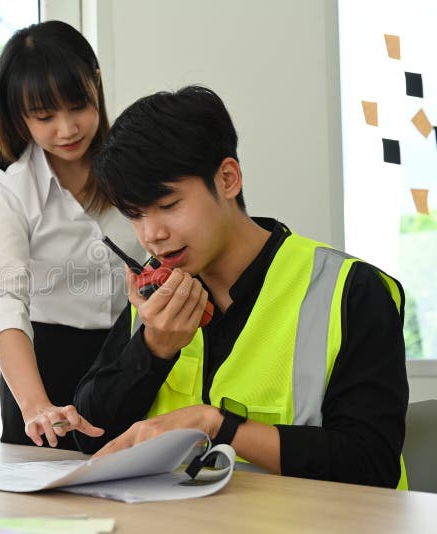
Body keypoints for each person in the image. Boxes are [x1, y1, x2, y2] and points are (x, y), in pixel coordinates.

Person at [73, 86, 409, 488]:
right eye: (136, 215)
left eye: (168, 206)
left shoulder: (349, 290)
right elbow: (89, 434)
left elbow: (371, 465)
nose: (152, 235)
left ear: (228, 179)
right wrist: (152, 349)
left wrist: (215, 425)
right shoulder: (157, 293)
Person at [0, 20, 144, 450]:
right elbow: (4, 301)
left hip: (133, 358)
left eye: (78, 106)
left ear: (97, 85)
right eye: (45, 117)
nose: (67, 129)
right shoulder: (11, 194)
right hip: (43, 369)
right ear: (19, 115)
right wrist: (35, 405)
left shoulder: (137, 170)